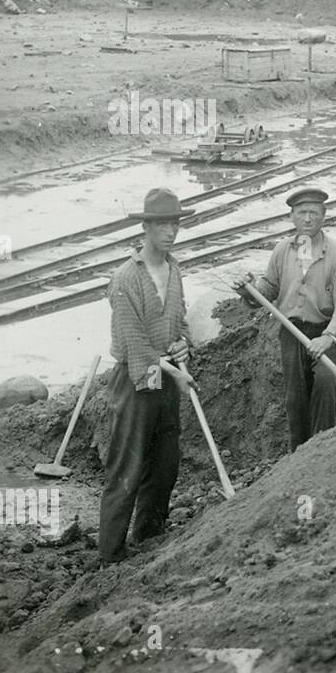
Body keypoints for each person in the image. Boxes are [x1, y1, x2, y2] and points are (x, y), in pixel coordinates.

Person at [99, 188, 197, 564]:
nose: (169, 231)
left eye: (174, 223)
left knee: (164, 465)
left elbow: (179, 320)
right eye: (161, 224)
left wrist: (184, 345)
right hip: (135, 383)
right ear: (145, 227)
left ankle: (149, 539)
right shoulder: (125, 279)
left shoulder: (174, 270)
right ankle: (110, 555)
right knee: (127, 468)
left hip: (166, 382)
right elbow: (135, 344)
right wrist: (174, 372)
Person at [235, 187, 336, 451]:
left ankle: (321, 449)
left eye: (314, 213)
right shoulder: (282, 251)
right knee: (295, 398)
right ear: (292, 216)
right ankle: (299, 454)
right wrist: (250, 291)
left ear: (324, 216)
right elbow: (269, 289)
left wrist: (329, 337)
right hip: (291, 332)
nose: (308, 219)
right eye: (302, 213)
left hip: (327, 331)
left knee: (325, 382)